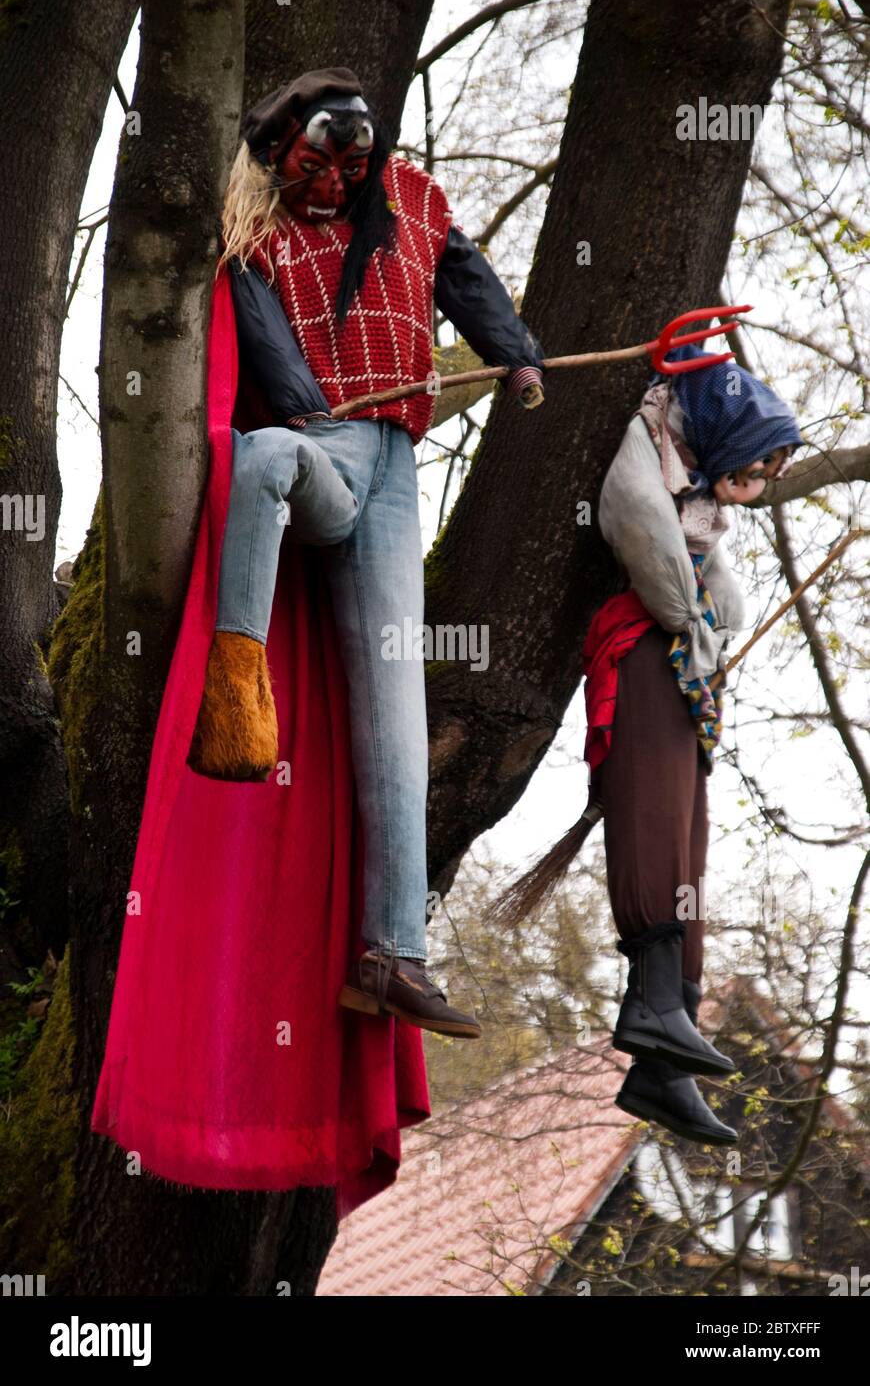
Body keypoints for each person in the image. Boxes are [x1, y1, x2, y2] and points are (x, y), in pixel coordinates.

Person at [186, 68, 547, 1040]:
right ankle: (237, 678)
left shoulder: (416, 200)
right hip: (330, 444)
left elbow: (464, 275)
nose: (333, 185)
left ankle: (392, 956)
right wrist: (303, 401)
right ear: (285, 145)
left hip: (398, 468)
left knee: (398, 720)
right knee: (265, 455)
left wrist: (512, 351)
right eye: (315, 164)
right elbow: (257, 336)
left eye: (350, 167)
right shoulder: (256, 226)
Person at [490, 342, 802, 1146]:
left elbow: (714, 597)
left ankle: (664, 1057)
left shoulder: (694, 494)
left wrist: (704, 615)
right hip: (644, 658)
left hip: (682, 671)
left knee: (689, 845)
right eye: (755, 463)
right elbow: (662, 573)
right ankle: (653, 1006)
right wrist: (694, 619)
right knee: (659, 825)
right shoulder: (648, 464)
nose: (754, 485)